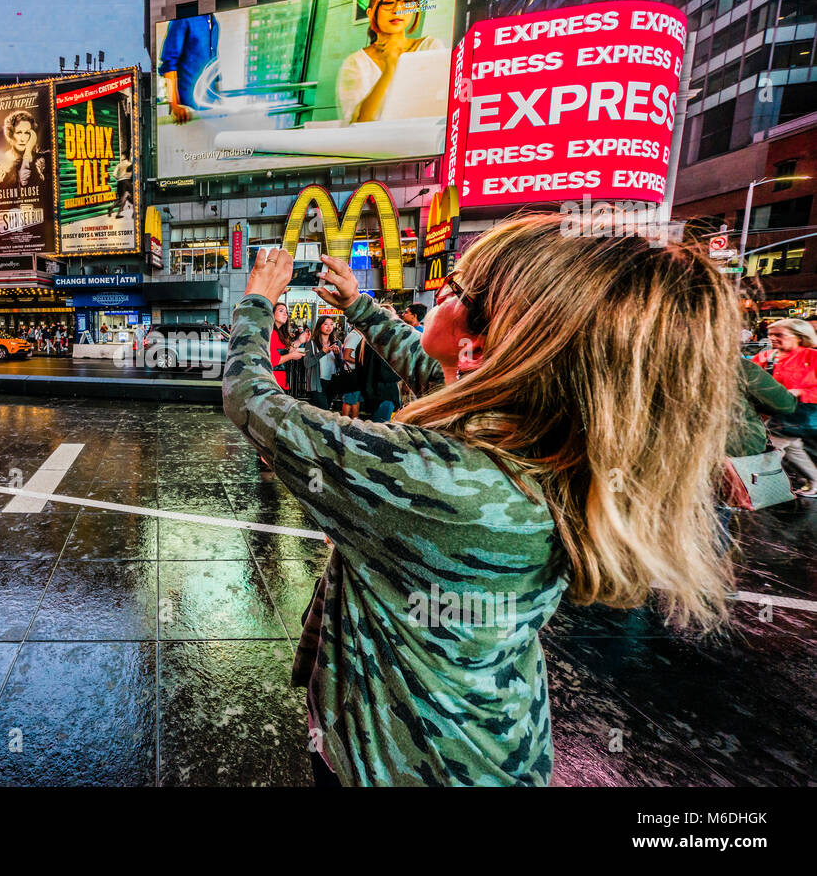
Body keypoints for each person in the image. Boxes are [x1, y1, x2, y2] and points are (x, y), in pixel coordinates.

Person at [223, 218, 740, 786]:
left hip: (399, 762)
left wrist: (256, 300)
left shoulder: (434, 478)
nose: (442, 288)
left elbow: (252, 400)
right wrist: (358, 306)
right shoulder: (546, 435)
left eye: (458, 287)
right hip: (494, 743)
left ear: (481, 344)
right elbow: (435, 371)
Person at [338, 0, 446, 125]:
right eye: (388, 2)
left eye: (407, 1)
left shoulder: (431, 47)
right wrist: (389, 71)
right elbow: (357, 125)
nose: (398, 9)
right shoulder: (356, 63)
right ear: (371, 13)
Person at [752, 318, 817, 495]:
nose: (772, 337)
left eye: (779, 334)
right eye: (771, 334)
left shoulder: (812, 357)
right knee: (792, 449)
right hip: (777, 416)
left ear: (799, 336)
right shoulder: (767, 356)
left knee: (770, 449)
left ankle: (756, 488)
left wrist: (800, 392)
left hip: (801, 415)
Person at [158, 12, 220, 124]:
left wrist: (219, 102)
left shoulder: (214, 22)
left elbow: (214, 66)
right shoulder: (183, 18)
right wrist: (174, 105)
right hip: (186, 115)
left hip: (209, 113)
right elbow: (169, 63)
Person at [302, 315, 342, 410]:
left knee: (326, 408)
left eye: (331, 324)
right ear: (319, 326)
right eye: (326, 324)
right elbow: (307, 363)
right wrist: (322, 353)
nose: (329, 327)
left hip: (332, 381)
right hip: (317, 382)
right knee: (324, 409)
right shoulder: (311, 343)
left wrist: (337, 355)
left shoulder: (337, 343)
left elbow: (341, 364)